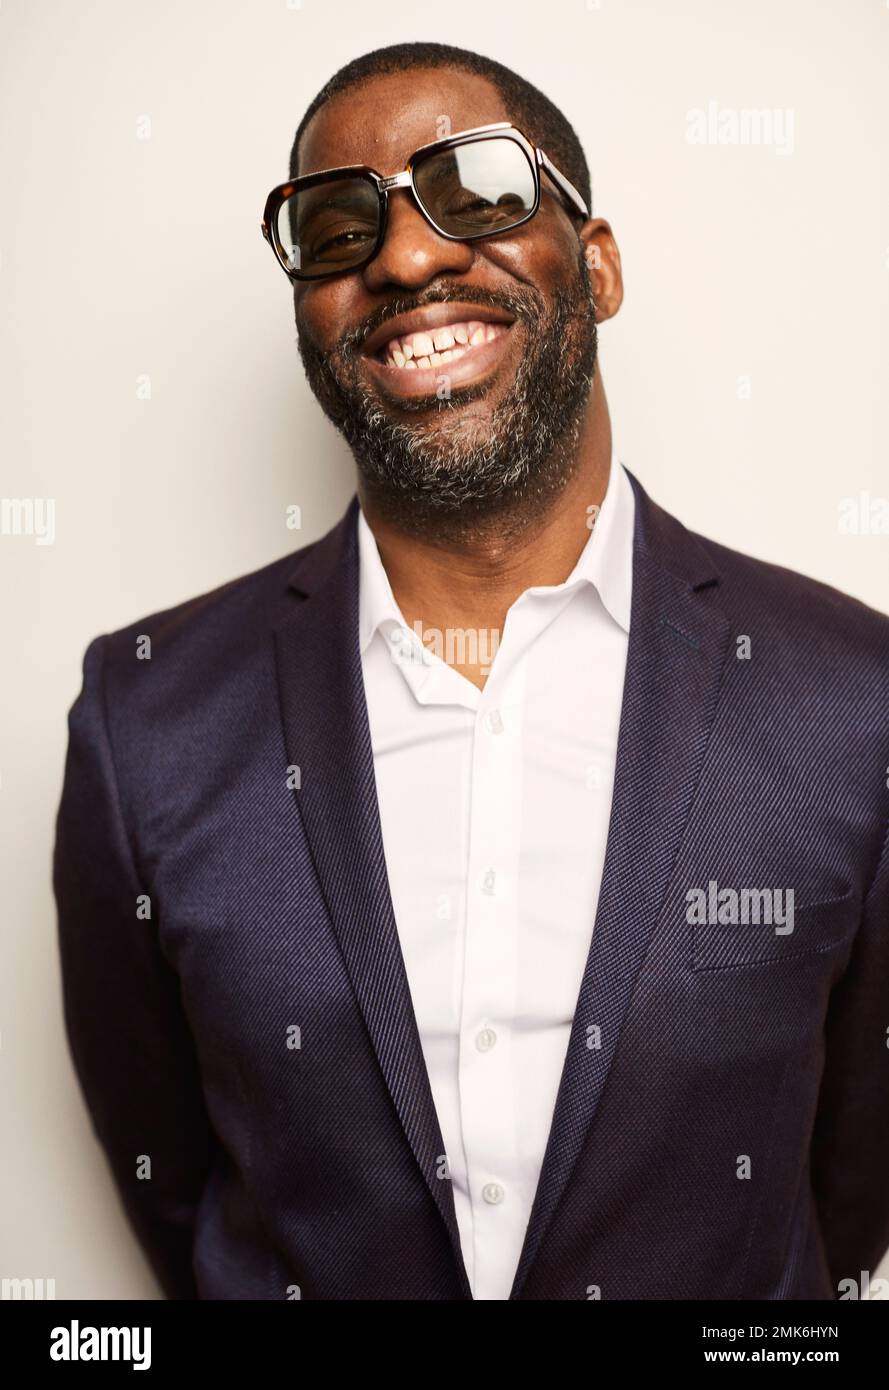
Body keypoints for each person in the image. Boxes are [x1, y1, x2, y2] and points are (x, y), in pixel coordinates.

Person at [54, 41, 889, 1301]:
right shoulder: (149, 716)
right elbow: (172, 1175)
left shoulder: (850, 697)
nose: (402, 257)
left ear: (596, 265)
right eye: (337, 226)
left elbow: (850, 1177)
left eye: (478, 192)